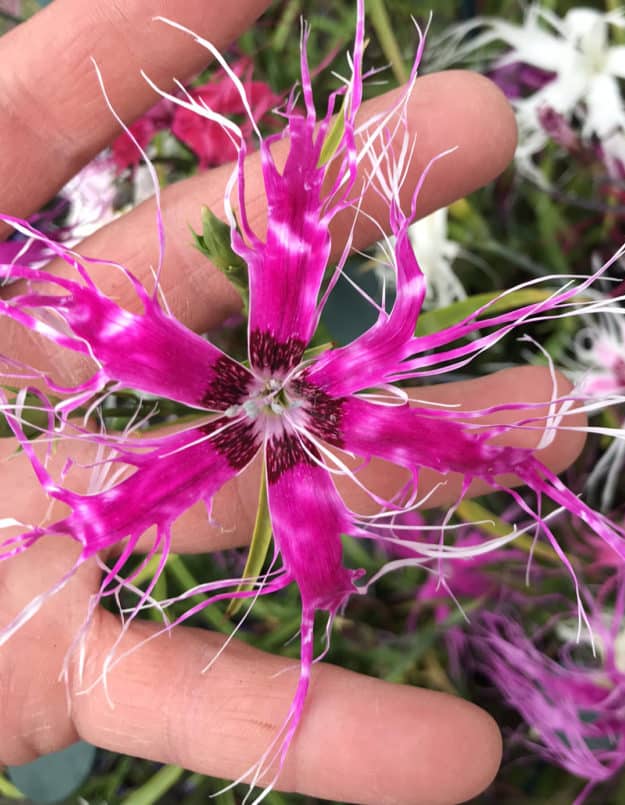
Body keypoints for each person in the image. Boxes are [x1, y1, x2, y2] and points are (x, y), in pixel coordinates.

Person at [0, 2, 584, 802]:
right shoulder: (261, 394)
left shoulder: (274, 392)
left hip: (283, 399)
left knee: (444, 434)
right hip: (274, 400)